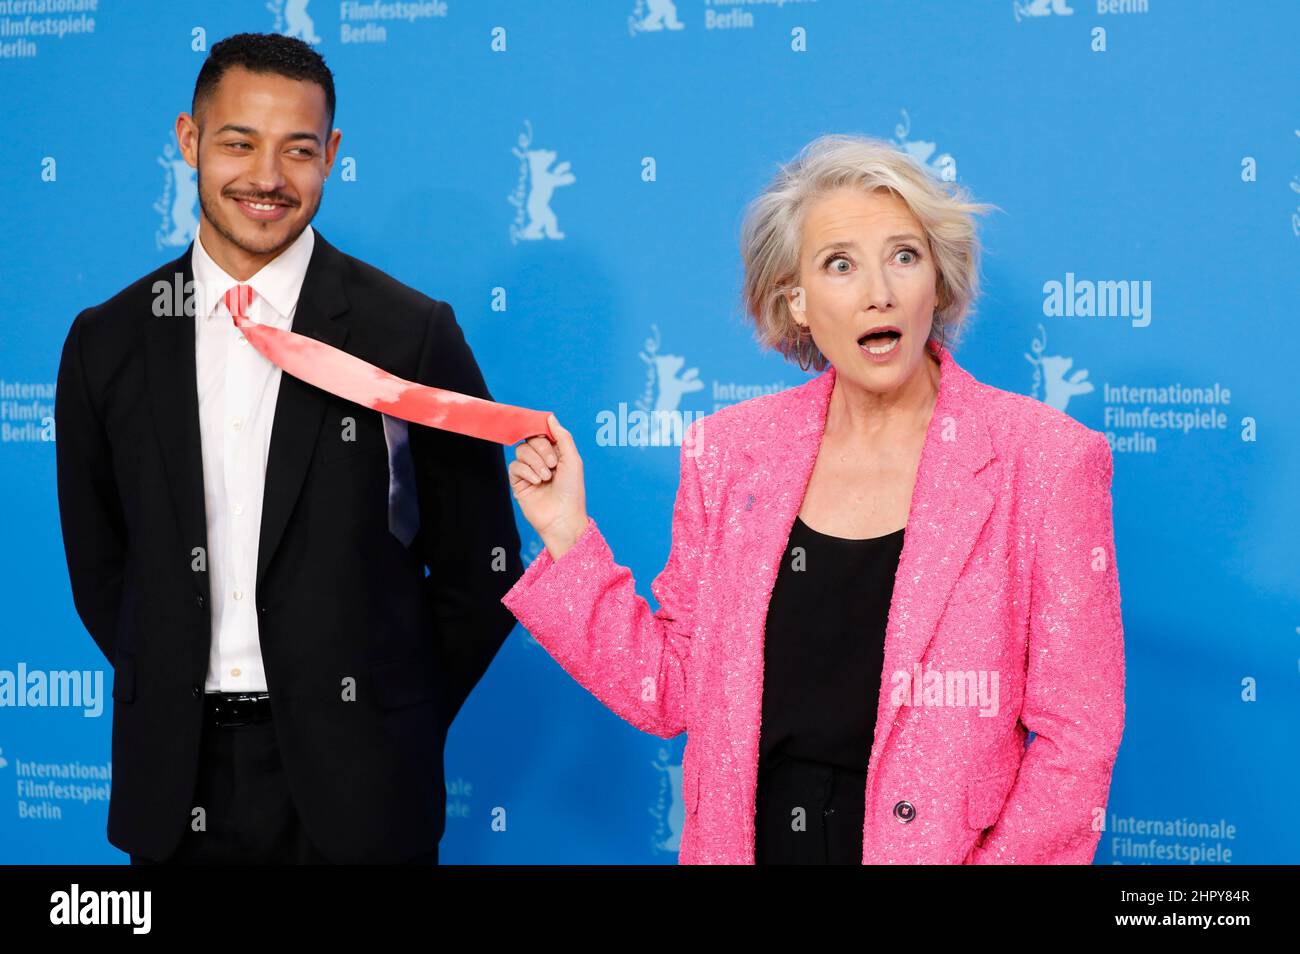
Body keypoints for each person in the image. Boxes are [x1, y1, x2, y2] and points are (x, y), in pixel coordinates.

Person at [503, 134, 1125, 864]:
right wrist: (568, 535)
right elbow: (672, 688)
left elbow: (1077, 740)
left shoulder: (1046, 461)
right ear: (795, 300)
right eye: (840, 264)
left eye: (904, 255)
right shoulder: (729, 454)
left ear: (938, 281)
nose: (879, 292)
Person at [54, 33, 523, 864]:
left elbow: (479, 568)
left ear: (331, 154)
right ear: (190, 141)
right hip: (174, 788)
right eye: (238, 143)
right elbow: (104, 571)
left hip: (362, 794)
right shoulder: (107, 341)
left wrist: (384, 713)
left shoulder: (408, 333)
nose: (267, 178)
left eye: (297, 151)